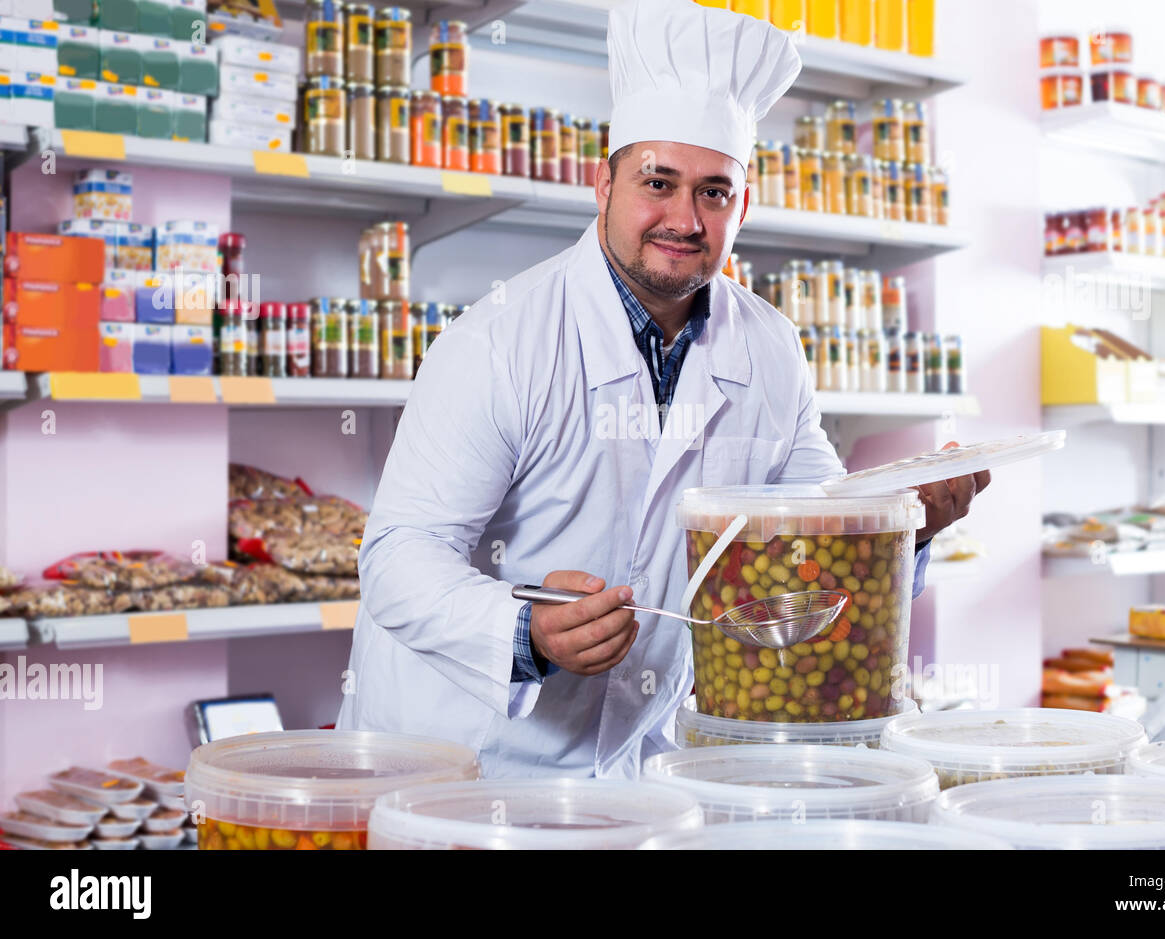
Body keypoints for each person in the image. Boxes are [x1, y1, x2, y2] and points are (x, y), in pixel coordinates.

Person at [336, 0, 989, 777]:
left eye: (714, 191)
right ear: (602, 183)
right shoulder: (501, 340)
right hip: (465, 757)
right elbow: (399, 556)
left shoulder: (771, 348)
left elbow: (809, 534)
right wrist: (524, 630)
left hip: (638, 759)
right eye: (659, 181)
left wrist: (903, 520)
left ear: (742, 205)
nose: (684, 217)